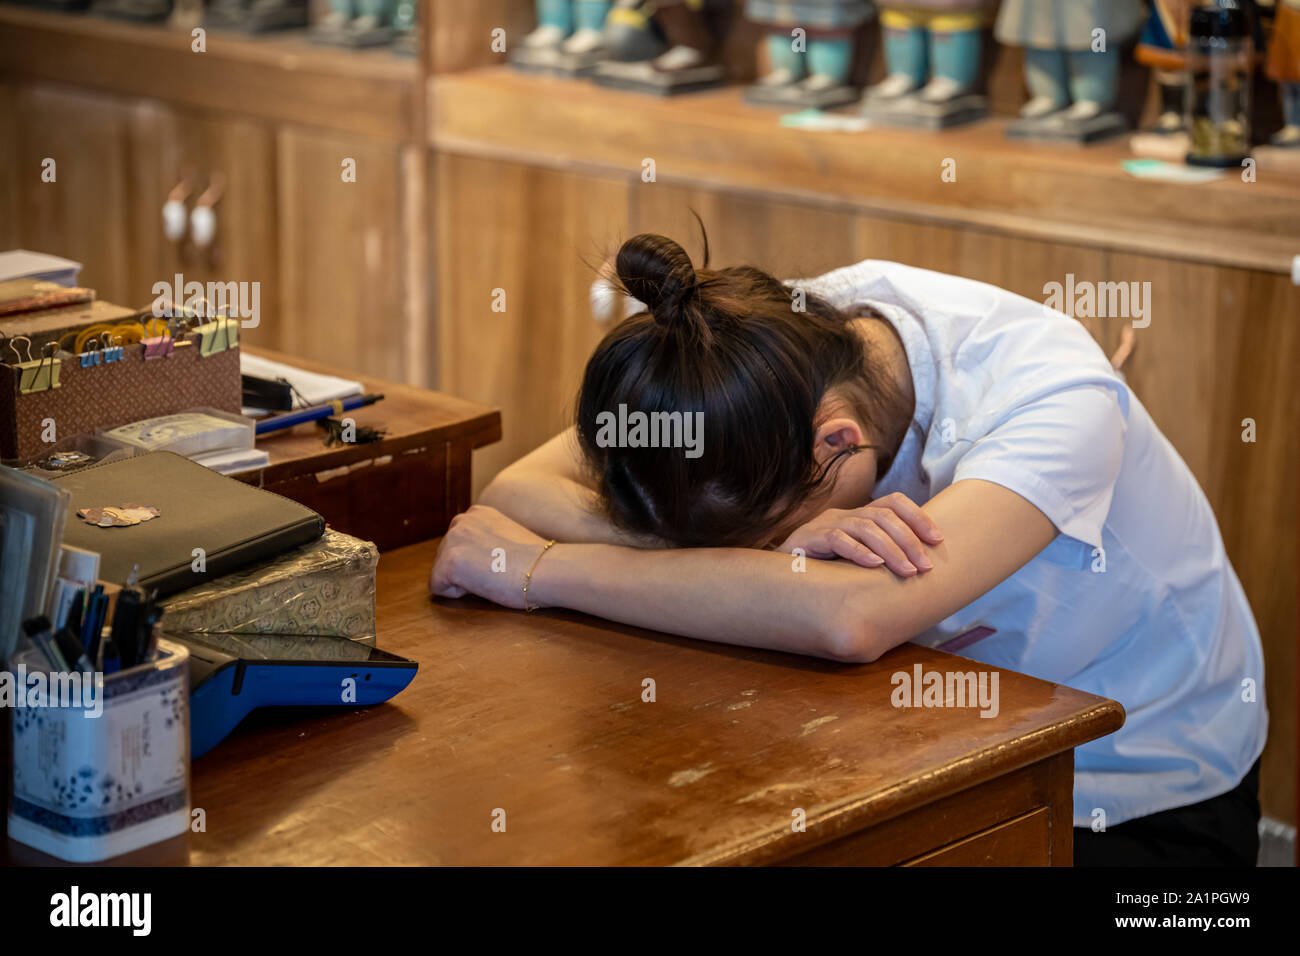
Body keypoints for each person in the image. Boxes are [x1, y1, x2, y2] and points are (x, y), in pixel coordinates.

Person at [430, 230, 1267, 866]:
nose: (761, 556)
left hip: (1140, 782)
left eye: (762, 539)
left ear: (837, 442)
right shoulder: (757, 345)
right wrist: (774, 556)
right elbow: (520, 490)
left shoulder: (1051, 397)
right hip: (921, 733)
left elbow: (850, 622)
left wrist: (538, 571)